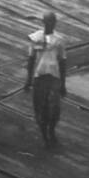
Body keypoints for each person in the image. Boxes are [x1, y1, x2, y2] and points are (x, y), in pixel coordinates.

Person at [25, 11, 67, 148]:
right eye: (48, 21)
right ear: (44, 22)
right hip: (39, 77)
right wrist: (28, 80)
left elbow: (62, 61)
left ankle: (51, 130)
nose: (50, 24)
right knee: (40, 108)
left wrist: (63, 83)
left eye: (52, 21)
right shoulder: (36, 37)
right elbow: (31, 59)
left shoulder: (59, 40)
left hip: (54, 77)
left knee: (54, 109)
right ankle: (44, 135)